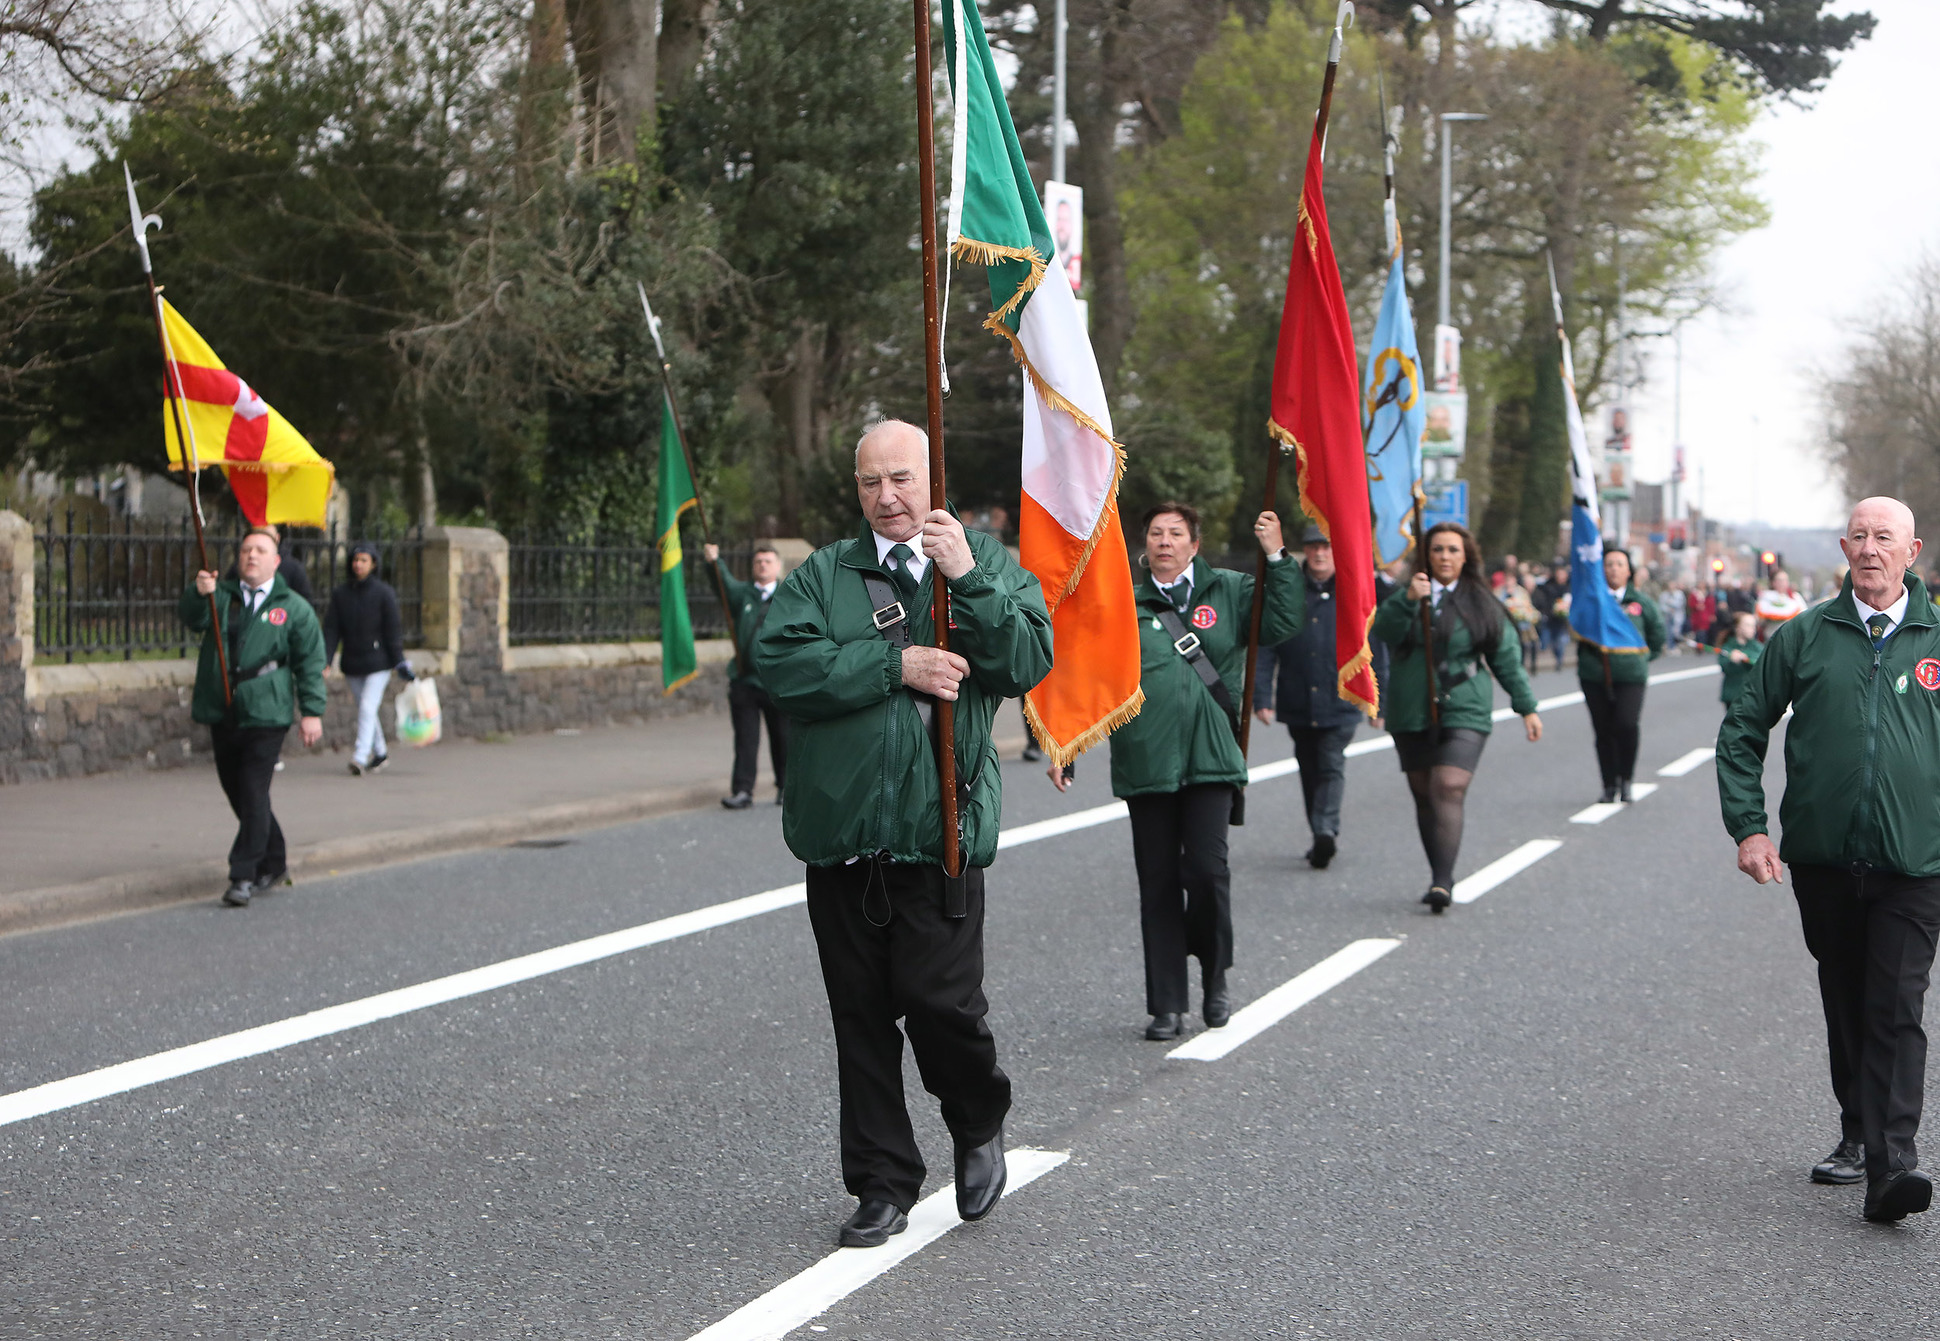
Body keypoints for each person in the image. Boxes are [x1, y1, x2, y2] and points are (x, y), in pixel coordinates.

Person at [753, 419, 1053, 1249]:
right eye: (870, 482)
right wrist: (896, 664)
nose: (886, 497)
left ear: (934, 478)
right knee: (860, 1019)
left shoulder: (984, 564)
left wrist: (967, 577)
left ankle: (978, 1114)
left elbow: (1027, 660)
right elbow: (777, 663)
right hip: (843, 838)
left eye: (902, 479)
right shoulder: (824, 574)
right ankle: (883, 1181)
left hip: (940, 835)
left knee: (940, 1003)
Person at [1717, 496, 1940, 1223]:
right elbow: (1744, 726)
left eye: (1887, 538)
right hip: (1823, 860)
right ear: (1844, 547)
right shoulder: (1807, 634)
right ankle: (1857, 1132)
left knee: (1896, 1005)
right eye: (1861, 536)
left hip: (1917, 862)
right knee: (1848, 999)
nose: (1872, 548)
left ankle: (1893, 1165)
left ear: (1913, 553)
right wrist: (1750, 829)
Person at [1054, 501, 1298, 1041]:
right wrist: (1066, 742)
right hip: (1146, 758)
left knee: (1207, 875)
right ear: (1146, 545)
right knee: (1158, 883)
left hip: (1213, 757)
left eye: (1176, 533)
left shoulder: (1230, 590)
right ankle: (1166, 1003)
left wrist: (1277, 555)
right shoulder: (1123, 601)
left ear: (1194, 544)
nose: (1165, 540)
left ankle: (1215, 977)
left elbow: (1281, 622)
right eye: (1156, 532)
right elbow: (1092, 674)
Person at [1371, 522, 1542, 913]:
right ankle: (1438, 868)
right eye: (1438, 550)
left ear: (1466, 557)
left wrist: (1527, 706)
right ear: (1427, 556)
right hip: (1411, 707)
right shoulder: (1408, 594)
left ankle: (1442, 882)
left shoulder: (1482, 601)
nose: (1445, 557)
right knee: (1423, 795)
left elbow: (1507, 659)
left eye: (1453, 550)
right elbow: (1384, 632)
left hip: (1466, 706)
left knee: (1447, 785)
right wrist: (1409, 599)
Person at [182, 527, 326, 907]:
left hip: (267, 710)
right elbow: (192, 619)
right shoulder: (222, 596)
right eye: (246, 549)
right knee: (238, 790)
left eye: (261, 550)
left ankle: (242, 875)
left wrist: (312, 712)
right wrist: (198, 594)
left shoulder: (293, 606)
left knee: (253, 787)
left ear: (276, 561)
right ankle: (274, 860)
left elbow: (310, 662)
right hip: (223, 707)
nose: (251, 555)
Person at [1253, 523, 1373, 870]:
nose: (1319, 553)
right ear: (1304, 551)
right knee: (1309, 767)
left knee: (1331, 763)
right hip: (1297, 698)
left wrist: (1380, 698)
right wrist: (1263, 697)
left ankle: (1325, 830)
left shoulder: (1354, 592)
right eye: (1313, 547)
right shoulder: (1289, 591)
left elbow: (1373, 646)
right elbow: (1268, 646)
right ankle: (1318, 831)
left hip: (1340, 699)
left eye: (1327, 547)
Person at [1577, 544, 1667, 804]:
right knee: (1602, 731)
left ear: (1629, 571)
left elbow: (1657, 635)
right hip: (1595, 674)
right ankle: (1608, 784)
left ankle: (1626, 778)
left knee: (1626, 725)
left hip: (1630, 676)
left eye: (1619, 564)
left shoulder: (1641, 603)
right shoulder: (1592, 600)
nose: (1613, 569)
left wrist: (1641, 659)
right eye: (1608, 564)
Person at [704, 540, 789, 809]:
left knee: (784, 737)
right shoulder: (744, 595)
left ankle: (786, 788)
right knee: (745, 739)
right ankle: (742, 790)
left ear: (778, 566)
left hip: (779, 682)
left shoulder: (789, 596)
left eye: (767, 561)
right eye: (758, 562)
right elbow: (722, 584)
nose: (762, 565)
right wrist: (713, 562)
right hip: (745, 681)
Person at [323, 541, 411, 776]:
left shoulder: (384, 593)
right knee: (367, 709)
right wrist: (326, 659)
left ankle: (360, 756)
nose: (358, 564)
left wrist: (399, 662)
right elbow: (331, 629)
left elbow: (393, 631)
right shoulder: (341, 594)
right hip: (352, 663)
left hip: (378, 663)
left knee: (367, 707)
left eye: (364, 560)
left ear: (373, 564)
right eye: (355, 560)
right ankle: (380, 753)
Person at [1716, 610, 1761, 709]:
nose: (1752, 629)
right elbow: (1724, 667)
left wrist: (1745, 657)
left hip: (1753, 697)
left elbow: (1762, 663)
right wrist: (1732, 661)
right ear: (1738, 628)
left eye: (1753, 626)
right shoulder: (1728, 647)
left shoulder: (1757, 647)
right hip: (1733, 696)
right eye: (1748, 625)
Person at [1533, 564, 1571, 671]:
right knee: (1552, 641)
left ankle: (1560, 660)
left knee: (1561, 641)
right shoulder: (1549, 585)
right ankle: (1555, 655)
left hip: (1563, 619)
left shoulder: (1569, 586)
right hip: (1550, 617)